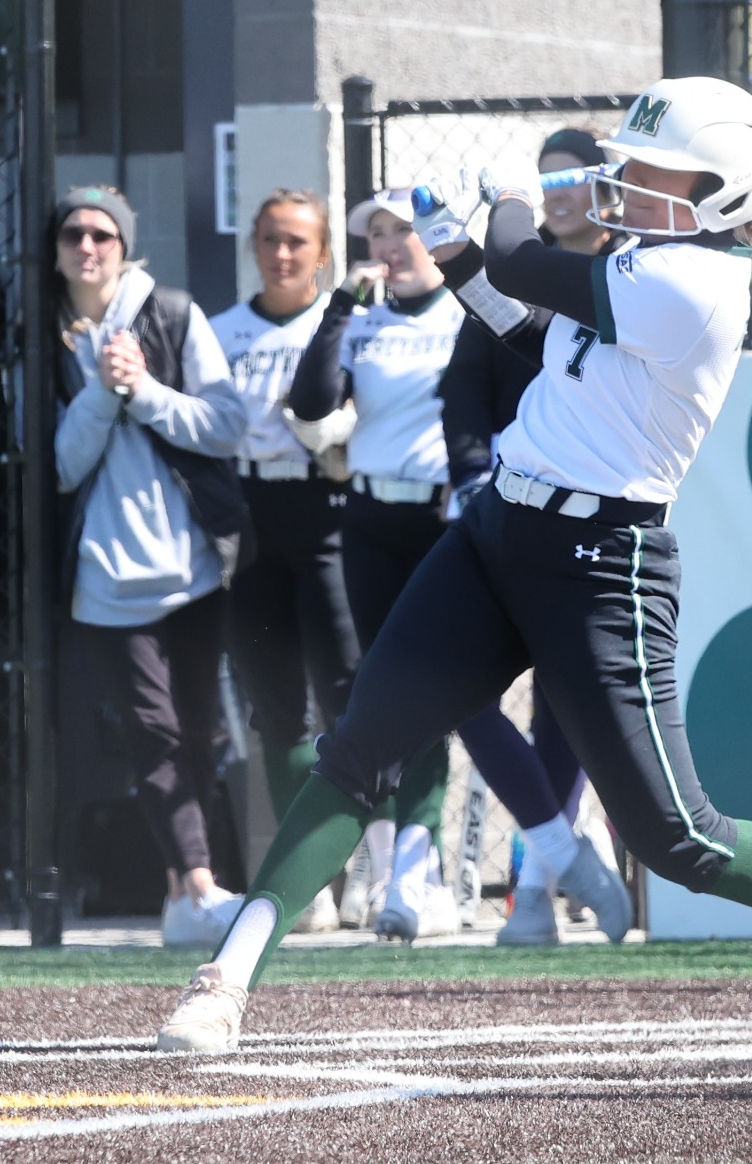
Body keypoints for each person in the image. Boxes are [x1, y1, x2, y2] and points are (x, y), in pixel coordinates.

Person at [160, 76, 752, 1051]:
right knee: (359, 751)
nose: (626, 185)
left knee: (676, 833)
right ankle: (226, 979)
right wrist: (463, 250)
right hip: (495, 533)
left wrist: (507, 206)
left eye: (651, 173)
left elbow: (523, 266)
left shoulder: (692, 284)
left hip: (601, 567)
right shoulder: (644, 259)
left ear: (715, 193)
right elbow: (524, 327)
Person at [285, 190, 628, 944]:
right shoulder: (366, 316)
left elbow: (486, 392)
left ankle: (545, 861)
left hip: (474, 517)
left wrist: (476, 475)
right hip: (377, 517)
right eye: (377, 232)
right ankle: (486, 861)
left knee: (553, 696)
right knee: (420, 699)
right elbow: (311, 407)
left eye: (404, 228)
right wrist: (341, 302)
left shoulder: (479, 302)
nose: (392, 243)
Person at [48, 184, 250, 950]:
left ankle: (179, 898)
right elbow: (61, 468)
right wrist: (103, 390)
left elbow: (226, 424)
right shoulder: (44, 335)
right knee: (154, 730)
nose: (88, 247)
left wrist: (146, 389)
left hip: (194, 566)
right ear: (57, 249)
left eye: (104, 234)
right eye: (73, 234)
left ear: (125, 246)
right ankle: (200, 886)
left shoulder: (171, 313)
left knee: (196, 730)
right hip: (106, 577)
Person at [439, 126, 618, 945]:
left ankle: (534, 889)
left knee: (570, 707)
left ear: (607, 185)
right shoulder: (515, 270)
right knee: (454, 684)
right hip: (503, 512)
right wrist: (475, 473)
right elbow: (466, 388)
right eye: (544, 180)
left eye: (573, 176)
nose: (557, 191)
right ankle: (557, 854)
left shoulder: (628, 274)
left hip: (594, 520)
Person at [208, 189, 360, 934]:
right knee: (277, 709)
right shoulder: (221, 330)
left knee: (352, 698)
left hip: (327, 513)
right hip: (251, 521)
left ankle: (367, 868)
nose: (282, 253)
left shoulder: (345, 324)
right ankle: (309, 884)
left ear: (323, 252)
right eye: (270, 239)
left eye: (298, 241)